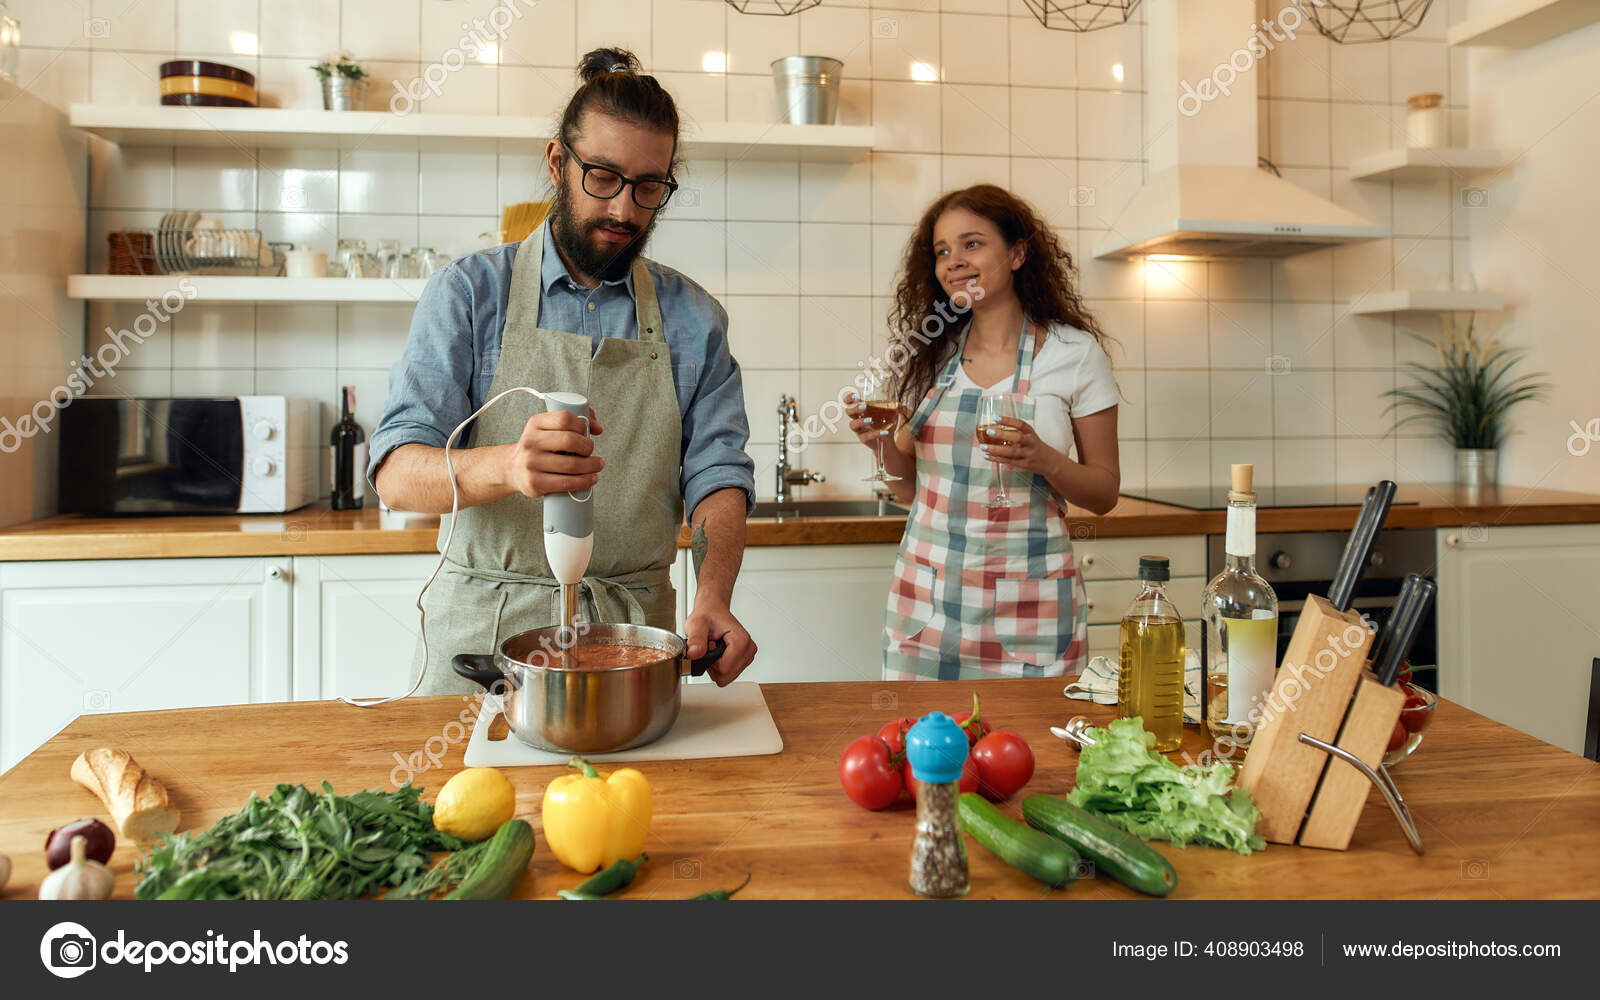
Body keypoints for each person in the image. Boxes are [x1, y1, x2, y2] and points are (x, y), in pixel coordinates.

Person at [370, 48, 757, 695]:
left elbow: (718, 474)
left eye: (649, 187)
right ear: (558, 162)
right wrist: (507, 467)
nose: (625, 211)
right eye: (603, 177)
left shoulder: (695, 320)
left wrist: (712, 594)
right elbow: (396, 475)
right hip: (483, 642)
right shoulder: (469, 294)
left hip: (631, 646)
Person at [849, 184, 1120, 680]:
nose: (954, 260)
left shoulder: (1074, 354)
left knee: (1036, 755)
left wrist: (1045, 460)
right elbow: (911, 491)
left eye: (972, 244)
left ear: (1017, 254)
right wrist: (882, 445)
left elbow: (1104, 494)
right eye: (942, 251)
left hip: (1030, 609)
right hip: (928, 606)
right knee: (922, 754)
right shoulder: (929, 355)